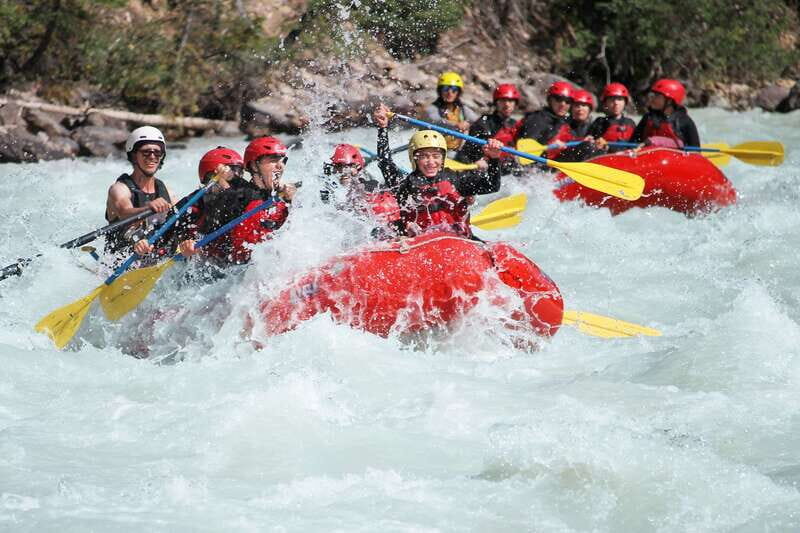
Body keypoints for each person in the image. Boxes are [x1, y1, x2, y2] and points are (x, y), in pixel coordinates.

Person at [373, 104, 503, 239]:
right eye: (424, 156)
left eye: (436, 156)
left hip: (457, 241)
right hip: (421, 243)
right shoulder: (405, 185)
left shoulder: (456, 179)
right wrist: (382, 128)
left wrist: (494, 159)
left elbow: (492, 185)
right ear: (414, 158)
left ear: (443, 158)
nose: (431, 162)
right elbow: (384, 163)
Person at [179, 138, 295, 265]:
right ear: (254, 166)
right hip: (225, 270)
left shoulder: (280, 201)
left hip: (261, 266)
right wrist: (190, 244)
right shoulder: (235, 197)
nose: (280, 166)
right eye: (273, 160)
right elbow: (205, 229)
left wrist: (290, 202)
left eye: (282, 160)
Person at [104, 126, 176, 262]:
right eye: (146, 152)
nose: (152, 157)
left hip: (157, 258)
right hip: (120, 263)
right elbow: (124, 212)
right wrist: (148, 208)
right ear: (133, 155)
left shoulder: (167, 191)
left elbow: (182, 219)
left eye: (157, 152)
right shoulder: (119, 189)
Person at [321, 144, 402, 237]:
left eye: (349, 166)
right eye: (339, 166)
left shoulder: (371, 189)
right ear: (334, 169)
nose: (344, 171)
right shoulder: (336, 193)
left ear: (358, 167)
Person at [456, 83, 521, 175]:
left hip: (506, 167)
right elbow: (467, 151)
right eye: (503, 100)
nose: (507, 104)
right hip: (484, 167)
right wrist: (477, 161)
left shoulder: (515, 124)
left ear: (515, 104)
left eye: (510, 101)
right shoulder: (484, 123)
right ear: (496, 103)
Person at [632, 78, 700, 148]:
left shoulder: (685, 122)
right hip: (646, 153)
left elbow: (695, 150)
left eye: (657, 96)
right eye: (653, 95)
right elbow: (633, 143)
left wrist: (655, 141)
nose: (652, 99)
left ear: (669, 101)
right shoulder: (648, 117)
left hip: (674, 154)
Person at [516, 81, 574, 159]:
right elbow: (526, 150)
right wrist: (550, 146)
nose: (563, 104)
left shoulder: (564, 121)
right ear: (550, 100)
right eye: (558, 99)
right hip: (535, 162)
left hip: (551, 159)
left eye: (568, 101)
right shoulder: (537, 119)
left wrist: (584, 140)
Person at [424, 71, 479, 155]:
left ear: (458, 92)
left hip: (455, 152)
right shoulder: (432, 108)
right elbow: (435, 120)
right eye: (446, 89)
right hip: (433, 150)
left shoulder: (463, 109)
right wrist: (456, 125)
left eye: (454, 89)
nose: (450, 93)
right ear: (440, 91)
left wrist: (469, 124)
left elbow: (478, 120)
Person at [588, 82, 637, 152]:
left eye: (619, 99)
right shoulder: (600, 122)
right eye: (612, 99)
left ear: (625, 102)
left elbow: (638, 144)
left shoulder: (630, 123)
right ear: (605, 103)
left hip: (626, 156)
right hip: (606, 156)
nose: (616, 103)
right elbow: (589, 142)